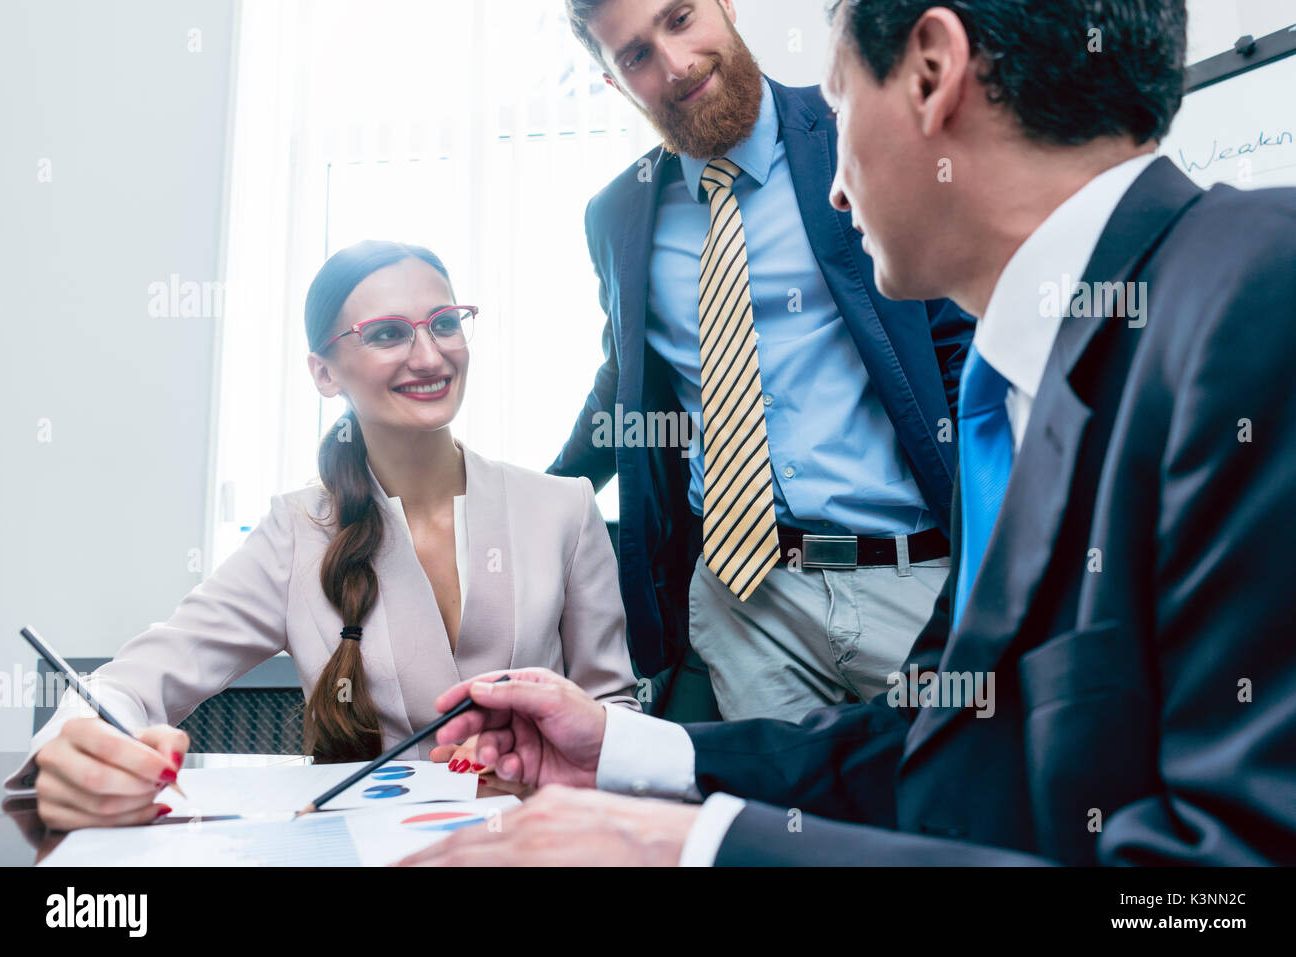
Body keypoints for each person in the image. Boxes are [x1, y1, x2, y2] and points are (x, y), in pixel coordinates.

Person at [395, 0, 1296, 866]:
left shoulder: (1258, 298)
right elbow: (932, 747)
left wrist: (698, 848)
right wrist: (632, 757)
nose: (828, 179)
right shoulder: (1024, 394)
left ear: (932, 74)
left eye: (837, 97)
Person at [5, 240, 640, 831]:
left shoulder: (564, 508)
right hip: (365, 851)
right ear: (324, 373)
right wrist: (70, 748)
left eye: (444, 322)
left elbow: (617, 714)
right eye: (387, 334)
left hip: (545, 843)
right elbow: (142, 677)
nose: (429, 355)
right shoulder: (294, 532)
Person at [549, 0, 974, 723]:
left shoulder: (858, 129)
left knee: (947, 809)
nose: (674, 65)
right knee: (777, 826)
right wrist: (535, 498)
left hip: (918, 575)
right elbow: (626, 386)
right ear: (616, 83)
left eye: (680, 19)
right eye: (635, 56)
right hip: (748, 602)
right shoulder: (619, 213)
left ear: (726, 5)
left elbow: (961, 347)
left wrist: (1007, 554)